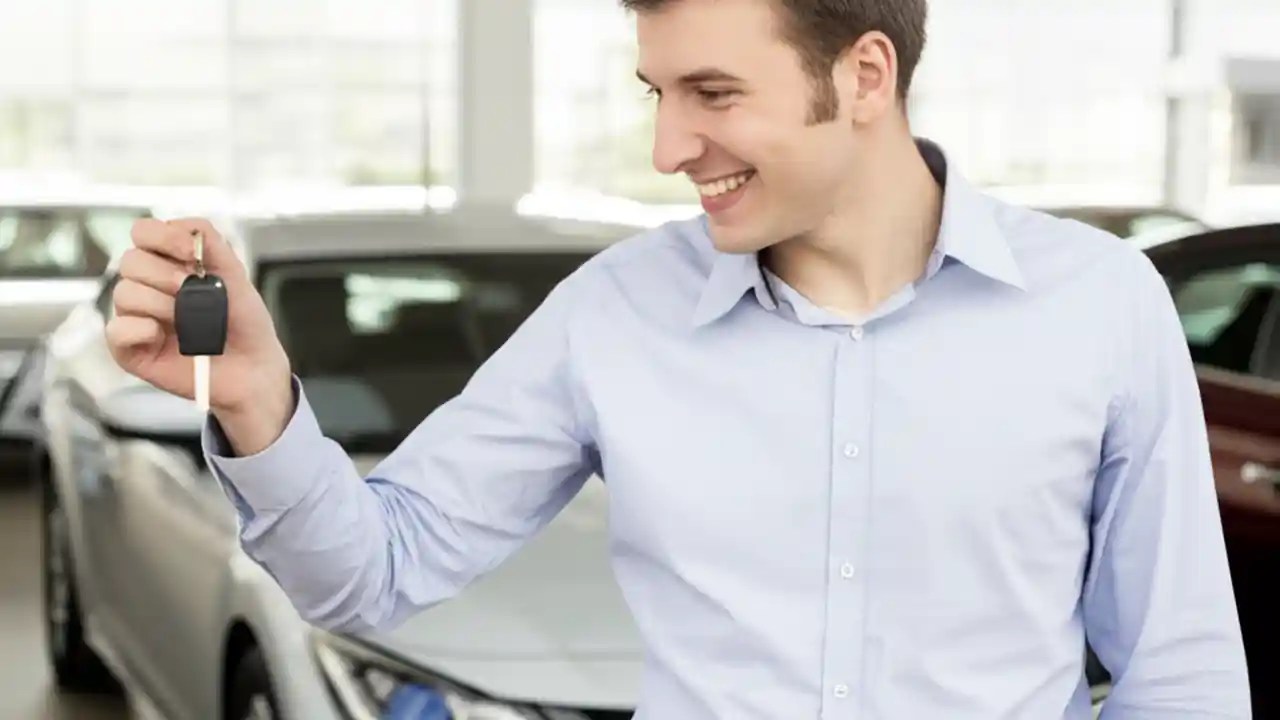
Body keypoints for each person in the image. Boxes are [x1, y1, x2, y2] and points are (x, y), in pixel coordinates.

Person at [107, 0, 1251, 717]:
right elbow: (373, 567)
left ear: (862, 76)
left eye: (712, 94)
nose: (665, 148)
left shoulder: (1098, 305)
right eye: (658, 93)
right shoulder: (614, 313)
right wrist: (258, 399)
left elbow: (1178, 671)